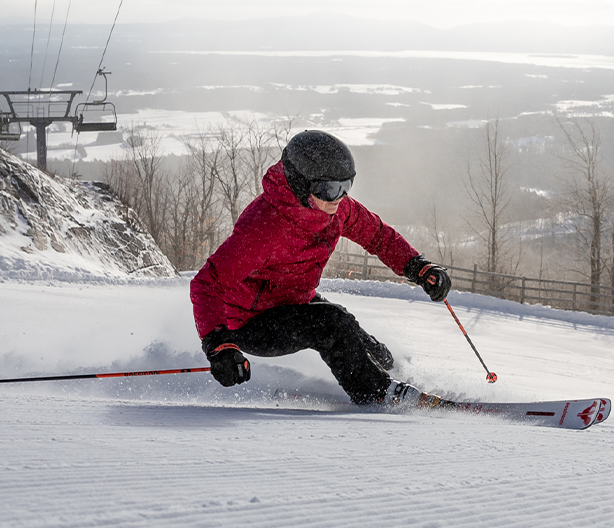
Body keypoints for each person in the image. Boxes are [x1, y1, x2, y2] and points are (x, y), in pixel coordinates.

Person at [190, 129, 452, 405]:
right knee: (330, 324)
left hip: (290, 299)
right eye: (328, 189)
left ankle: (391, 371)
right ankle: (377, 393)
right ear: (301, 185)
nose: (338, 197)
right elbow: (207, 284)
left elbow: (377, 235)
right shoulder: (264, 226)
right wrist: (219, 345)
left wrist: (416, 266)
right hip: (249, 321)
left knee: (347, 325)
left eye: (345, 186)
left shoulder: (337, 209)